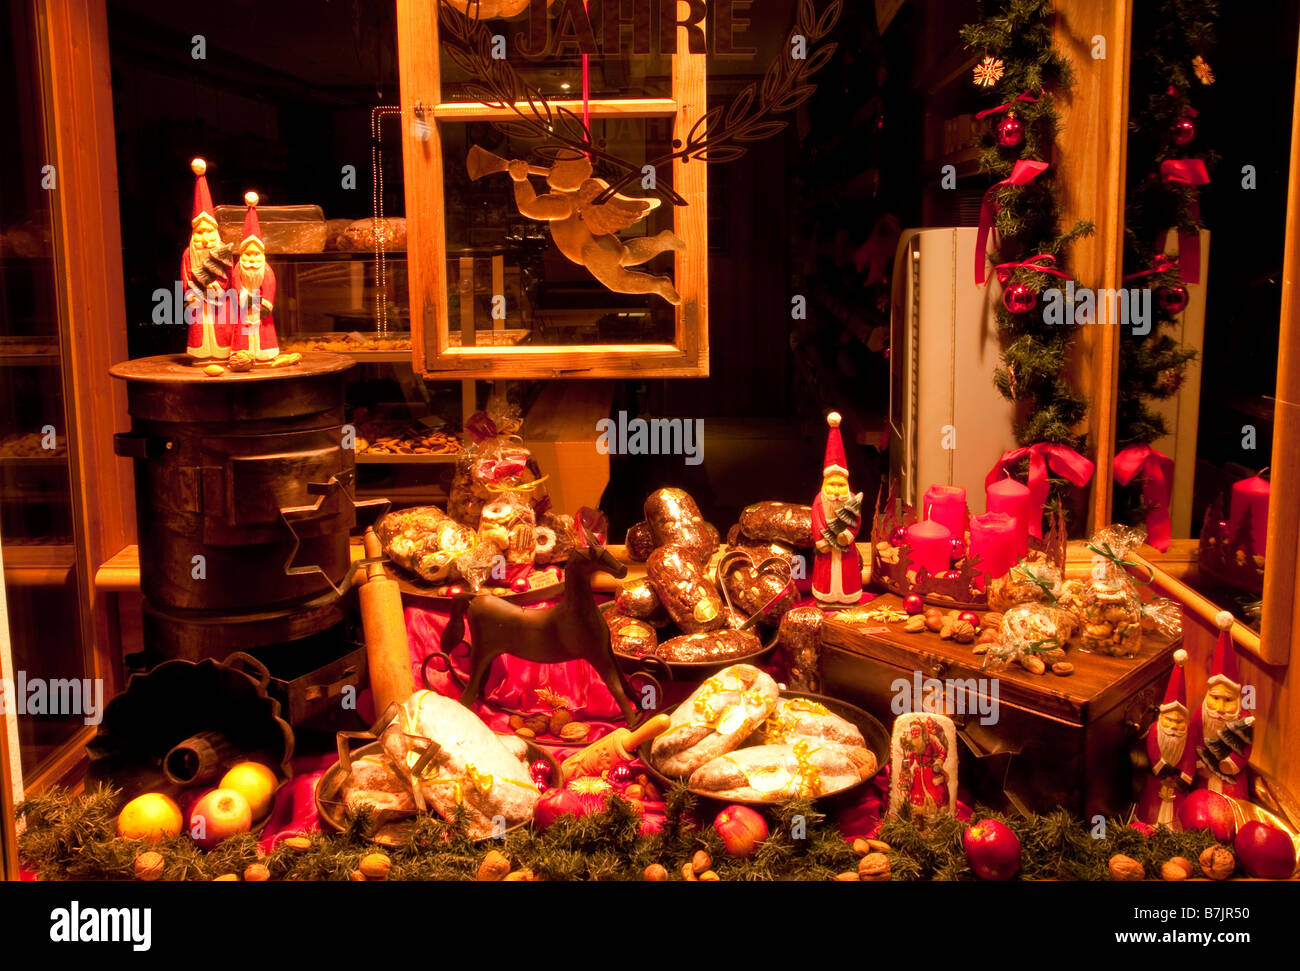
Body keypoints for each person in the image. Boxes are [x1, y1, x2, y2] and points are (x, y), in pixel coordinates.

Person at [810, 412, 863, 605]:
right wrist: (821, 540)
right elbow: (816, 522)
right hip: (826, 551)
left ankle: (848, 597)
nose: (837, 491)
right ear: (825, 483)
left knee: (847, 574)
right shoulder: (819, 501)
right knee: (826, 574)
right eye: (832, 485)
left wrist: (848, 535)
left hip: (846, 550)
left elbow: (856, 521)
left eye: (840, 485)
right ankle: (825, 596)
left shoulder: (851, 500)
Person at [229, 192, 280, 361]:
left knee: (263, 333)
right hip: (244, 309)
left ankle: (264, 353)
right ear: (242, 254)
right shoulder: (238, 268)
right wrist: (245, 299)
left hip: (261, 312)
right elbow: (236, 286)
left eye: (255, 254)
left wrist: (261, 306)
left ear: (262, 254)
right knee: (243, 332)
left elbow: (270, 289)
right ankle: (242, 354)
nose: (251, 258)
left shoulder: (266, 270)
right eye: (248, 254)